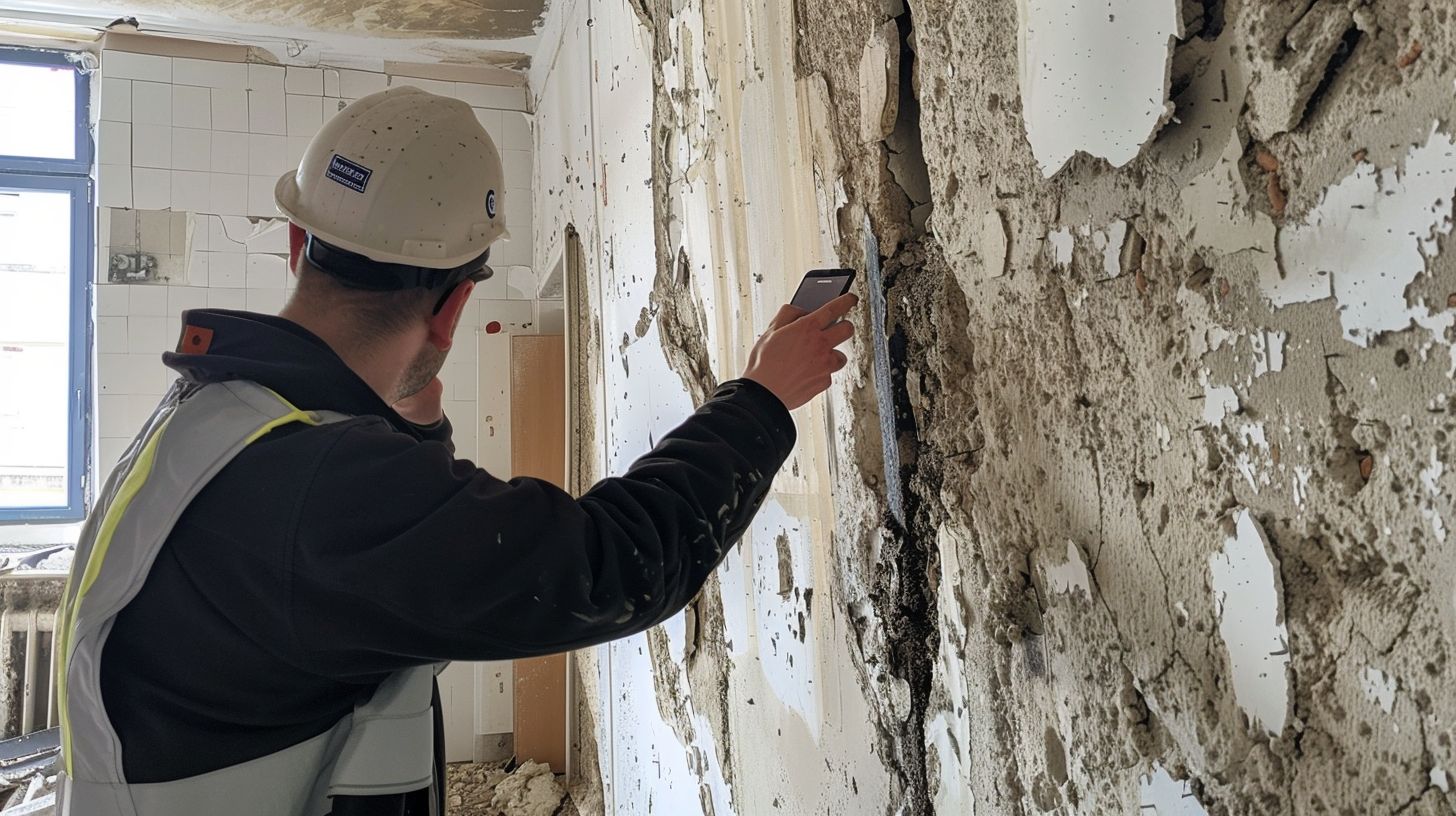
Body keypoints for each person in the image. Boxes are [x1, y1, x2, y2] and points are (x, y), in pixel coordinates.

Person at [57, 86, 856, 815]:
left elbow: (373, 565)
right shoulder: (325, 489)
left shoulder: (222, 416)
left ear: (297, 243)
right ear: (455, 304)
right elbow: (617, 566)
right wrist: (761, 400)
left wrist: (409, 431)